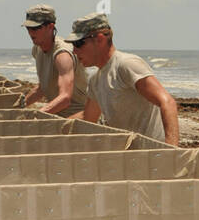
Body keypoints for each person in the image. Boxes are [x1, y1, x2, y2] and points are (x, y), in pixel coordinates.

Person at [65, 12, 179, 145]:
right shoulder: (95, 80)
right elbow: (88, 118)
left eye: (78, 44)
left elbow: (167, 102)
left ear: (100, 39)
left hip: (152, 154)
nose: (74, 51)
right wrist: (58, 125)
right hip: (128, 156)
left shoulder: (126, 65)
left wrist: (171, 150)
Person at [20, 4, 87, 116]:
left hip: (78, 117)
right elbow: (42, 88)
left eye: (36, 28)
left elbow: (65, 98)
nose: (31, 32)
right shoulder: (37, 49)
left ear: (50, 27)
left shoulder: (63, 55)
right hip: (56, 115)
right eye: (28, 28)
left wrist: (36, 115)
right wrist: (19, 106)